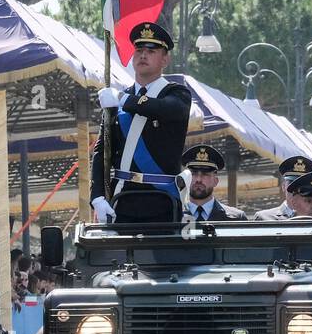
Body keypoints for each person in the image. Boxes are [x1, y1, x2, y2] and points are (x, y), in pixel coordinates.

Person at [90, 21, 192, 224]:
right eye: (139, 49)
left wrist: (122, 100)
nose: (143, 55)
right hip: (122, 199)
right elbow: (102, 152)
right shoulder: (118, 98)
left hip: (162, 201)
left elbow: (166, 109)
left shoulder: (176, 93)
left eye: (152, 50)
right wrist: (97, 197)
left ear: (165, 59)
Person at [181, 145, 248, 222]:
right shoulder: (173, 216)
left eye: (205, 174)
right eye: (193, 173)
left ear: (215, 181)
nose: (198, 179)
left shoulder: (236, 218)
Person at [253, 156, 312, 220]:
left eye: (302, 185)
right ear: (283, 187)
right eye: (292, 184)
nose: (296, 189)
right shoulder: (265, 218)